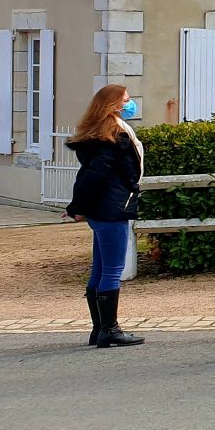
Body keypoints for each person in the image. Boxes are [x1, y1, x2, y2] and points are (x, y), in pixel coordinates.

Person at [66, 84, 146, 349]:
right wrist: (77, 206)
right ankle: (109, 329)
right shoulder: (114, 137)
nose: (130, 103)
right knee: (111, 270)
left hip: (103, 209)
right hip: (112, 208)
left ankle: (99, 328)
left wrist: (78, 207)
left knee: (100, 269)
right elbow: (95, 176)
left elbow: (90, 176)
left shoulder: (99, 134)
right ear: (113, 105)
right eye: (126, 99)